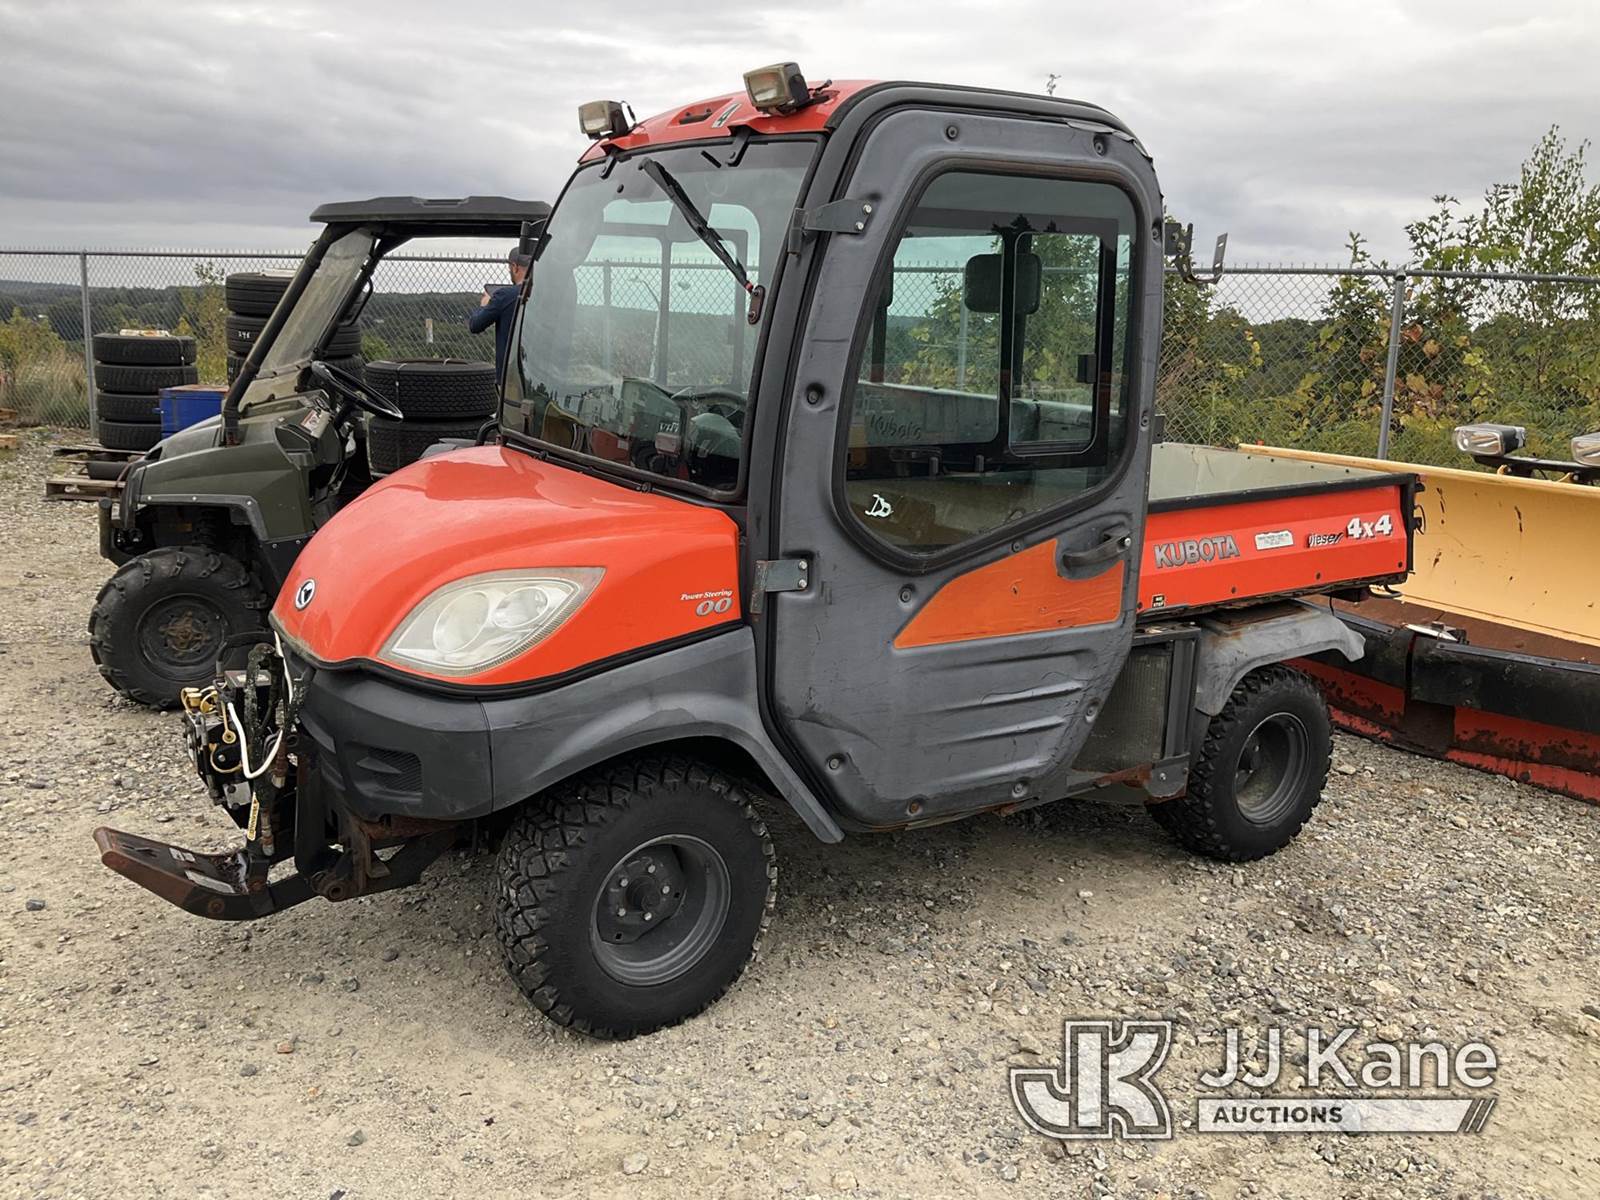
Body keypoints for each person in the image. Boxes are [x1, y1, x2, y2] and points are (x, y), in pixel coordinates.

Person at [469, 248, 531, 380]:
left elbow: (475, 325)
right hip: (537, 373)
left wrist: (484, 305)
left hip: (509, 375)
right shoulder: (546, 296)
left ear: (515, 267)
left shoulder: (504, 296)